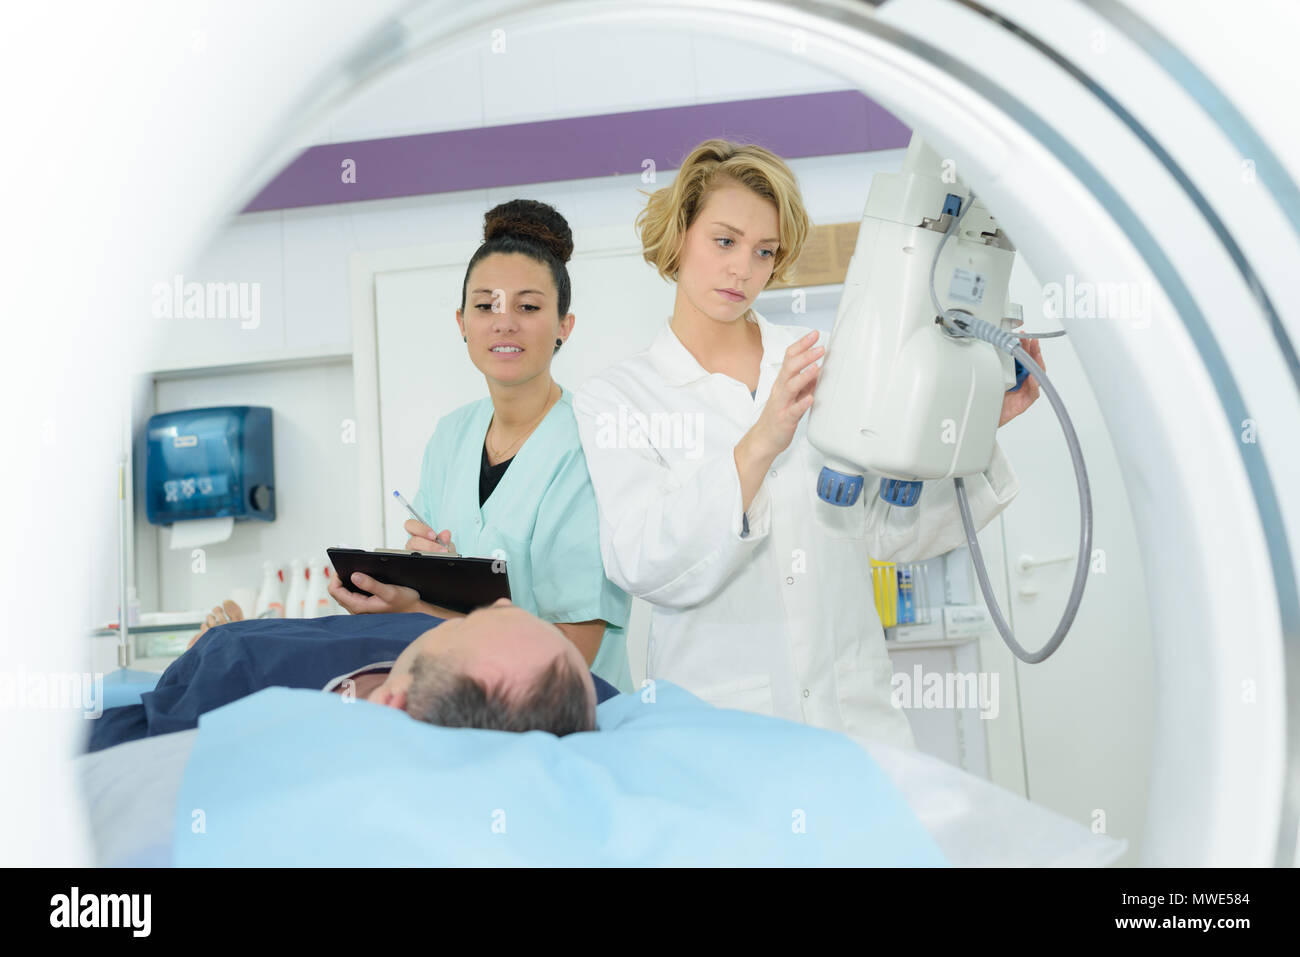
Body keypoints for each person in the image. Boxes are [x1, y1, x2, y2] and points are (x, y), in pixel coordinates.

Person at [573, 139, 1043, 749]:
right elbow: (644, 563)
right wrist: (760, 442)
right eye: (725, 241)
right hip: (723, 735)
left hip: (856, 721)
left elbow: (888, 533)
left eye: (764, 251)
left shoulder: (825, 362)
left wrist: (973, 431)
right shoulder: (620, 396)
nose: (744, 268)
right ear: (680, 232)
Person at [326, 199, 633, 692]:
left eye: (528, 307)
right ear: (461, 322)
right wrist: (412, 578)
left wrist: (418, 610)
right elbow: (437, 589)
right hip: (466, 709)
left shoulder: (592, 442)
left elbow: (573, 651)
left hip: (571, 721)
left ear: (563, 327)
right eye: (485, 305)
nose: (504, 322)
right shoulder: (452, 435)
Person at [87, 598, 619, 753]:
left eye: (473, 619)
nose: (499, 601)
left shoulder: (230, 729)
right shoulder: (559, 686)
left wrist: (206, 649)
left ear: (392, 704)